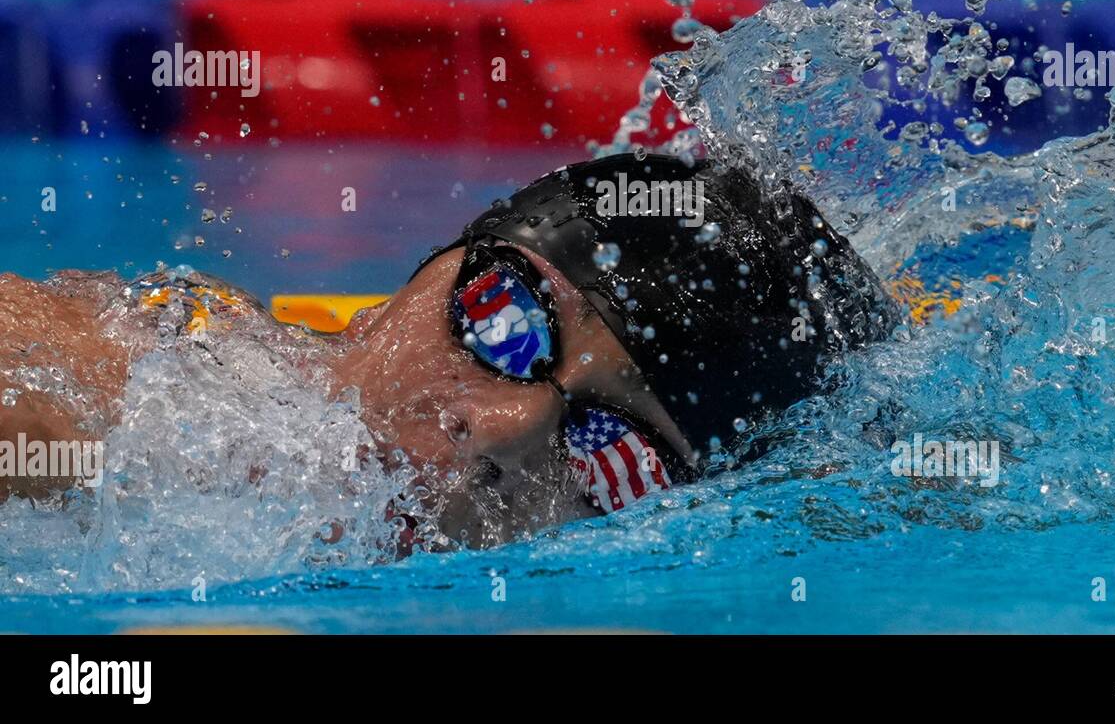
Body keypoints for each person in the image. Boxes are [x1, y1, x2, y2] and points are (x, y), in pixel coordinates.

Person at [0, 153, 898, 548]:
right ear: (440, 260)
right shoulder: (120, 399)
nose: (503, 430)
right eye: (506, 321)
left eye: (618, 456)